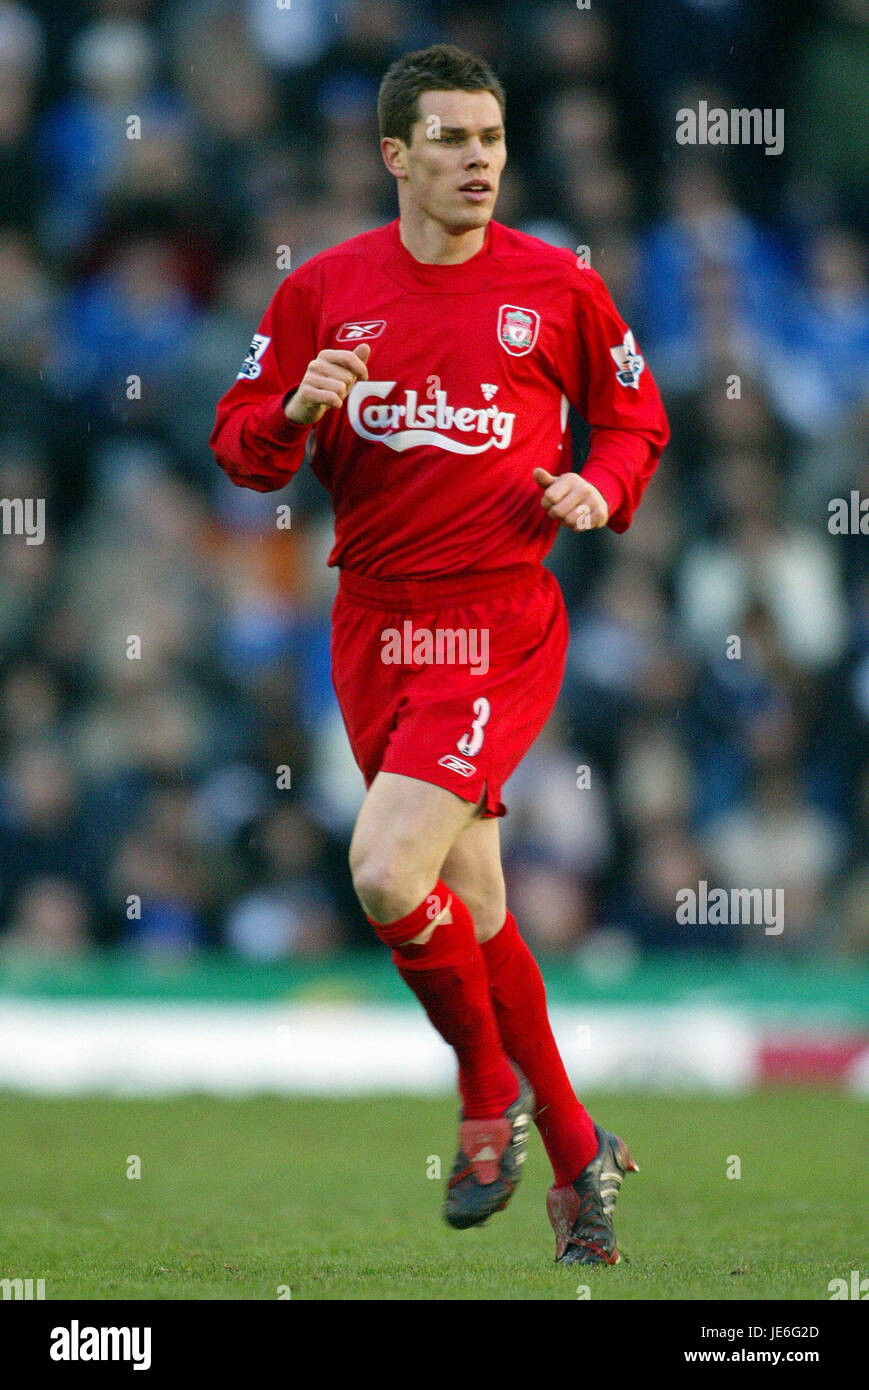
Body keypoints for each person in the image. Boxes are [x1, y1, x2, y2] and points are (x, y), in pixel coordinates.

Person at [211, 44, 668, 1266]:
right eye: (453, 140)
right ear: (394, 155)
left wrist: (599, 484)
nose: (478, 161)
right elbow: (239, 445)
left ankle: (483, 1098)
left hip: (494, 619)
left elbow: (636, 413)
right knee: (470, 903)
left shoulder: (556, 287)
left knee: (379, 871)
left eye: (492, 139)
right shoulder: (322, 292)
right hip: (369, 622)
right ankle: (578, 1158)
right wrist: (298, 409)